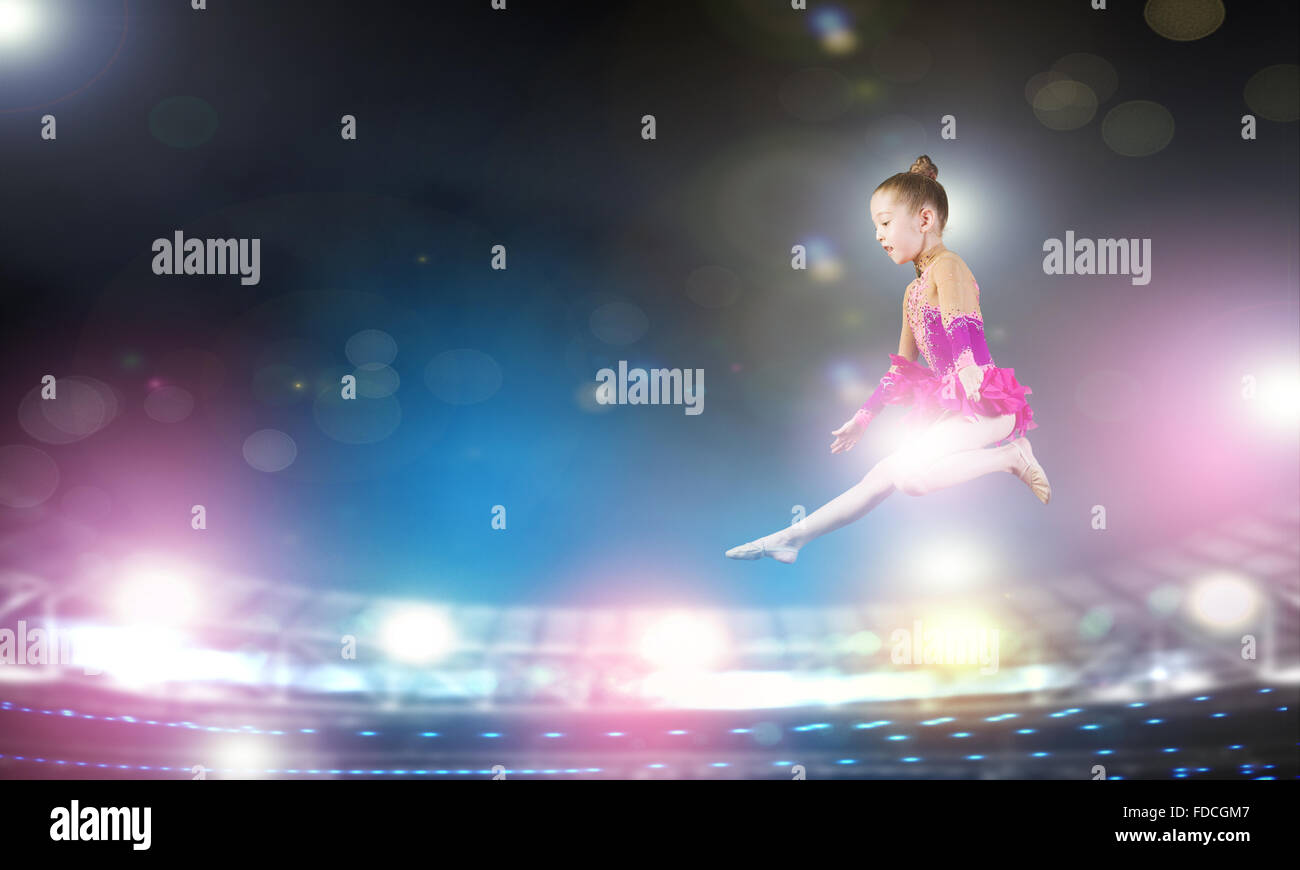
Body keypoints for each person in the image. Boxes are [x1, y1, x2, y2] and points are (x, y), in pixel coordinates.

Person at [725, 155, 1051, 565]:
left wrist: (967, 364)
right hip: (960, 406)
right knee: (881, 476)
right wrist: (863, 418)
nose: (878, 235)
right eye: (874, 226)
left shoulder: (949, 265)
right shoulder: (912, 291)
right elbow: (901, 369)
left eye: (884, 222)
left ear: (925, 219)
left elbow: (960, 319)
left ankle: (1011, 455)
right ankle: (792, 537)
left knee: (910, 477)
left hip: (986, 402)